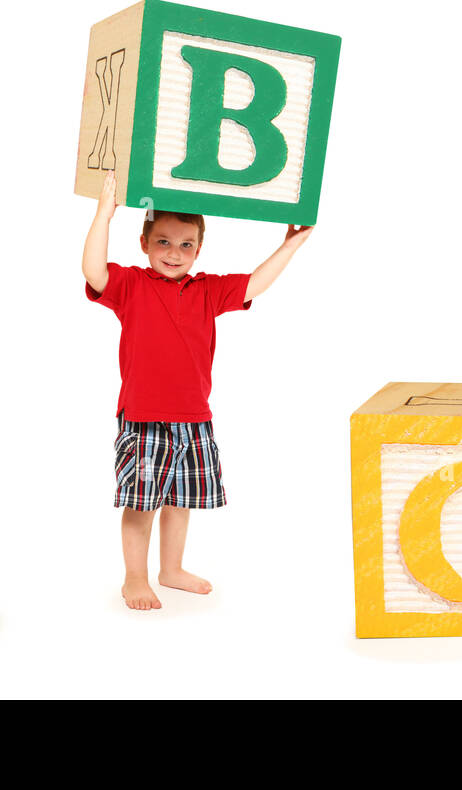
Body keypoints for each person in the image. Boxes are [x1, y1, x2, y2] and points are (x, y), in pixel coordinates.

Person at [84, 171, 313, 610]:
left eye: (186, 244)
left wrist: (291, 243)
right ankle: (135, 576)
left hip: (194, 417)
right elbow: (94, 272)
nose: (175, 253)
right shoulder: (131, 284)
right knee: (141, 502)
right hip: (144, 417)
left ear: (199, 249)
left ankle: (171, 568)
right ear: (145, 243)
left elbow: (255, 283)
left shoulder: (208, 289)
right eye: (164, 242)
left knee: (179, 499)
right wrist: (104, 215)